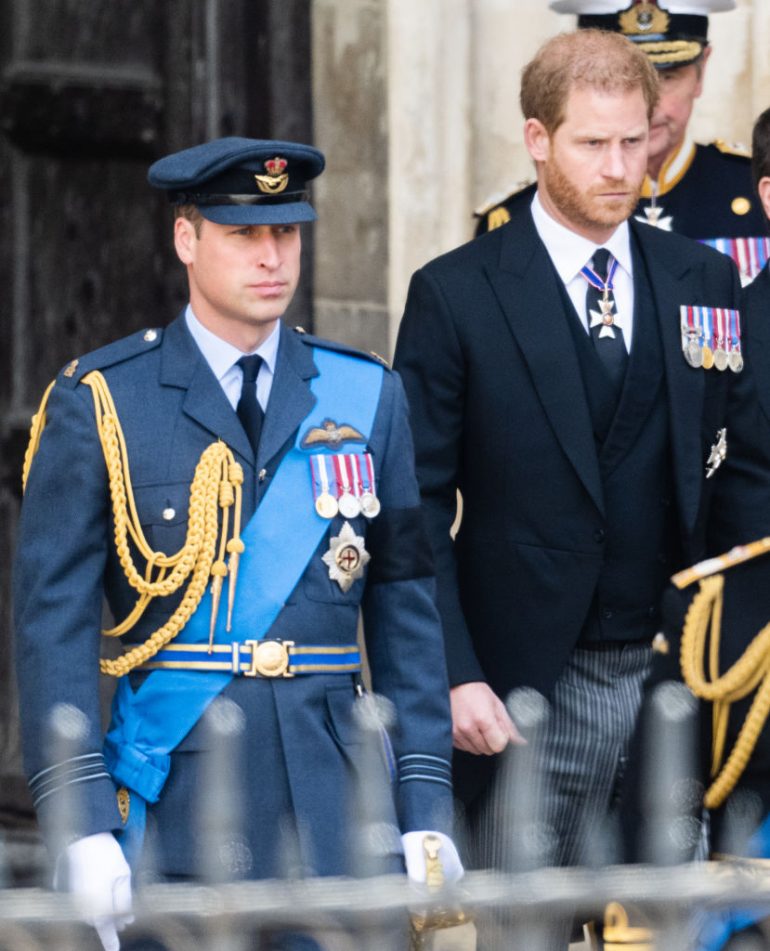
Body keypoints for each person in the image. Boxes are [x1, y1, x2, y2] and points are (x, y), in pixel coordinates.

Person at [14, 137, 461, 950]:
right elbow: (55, 625)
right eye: (243, 234)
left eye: (286, 234)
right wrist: (77, 819)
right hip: (177, 799)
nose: (272, 258)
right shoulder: (105, 402)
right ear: (187, 240)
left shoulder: (366, 393)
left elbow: (405, 602)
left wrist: (425, 803)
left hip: (337, 808)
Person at [394, 26, 770, 914]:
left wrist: (743, 656)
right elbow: (413, 509)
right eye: (592, 143)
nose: (618, 167)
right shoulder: (459, 292)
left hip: (672, 678)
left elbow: (741, 476)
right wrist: (453, 672)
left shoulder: (702, 280)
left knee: (669, 931)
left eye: (633, 141)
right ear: (538, 140)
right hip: (520, 688)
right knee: (525, 931)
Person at [475, 1, 770, 286]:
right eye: (614, 86)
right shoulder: (516, 216)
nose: (649, 107)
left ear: (701, 71)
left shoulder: (753, 191)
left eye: (666, 77)